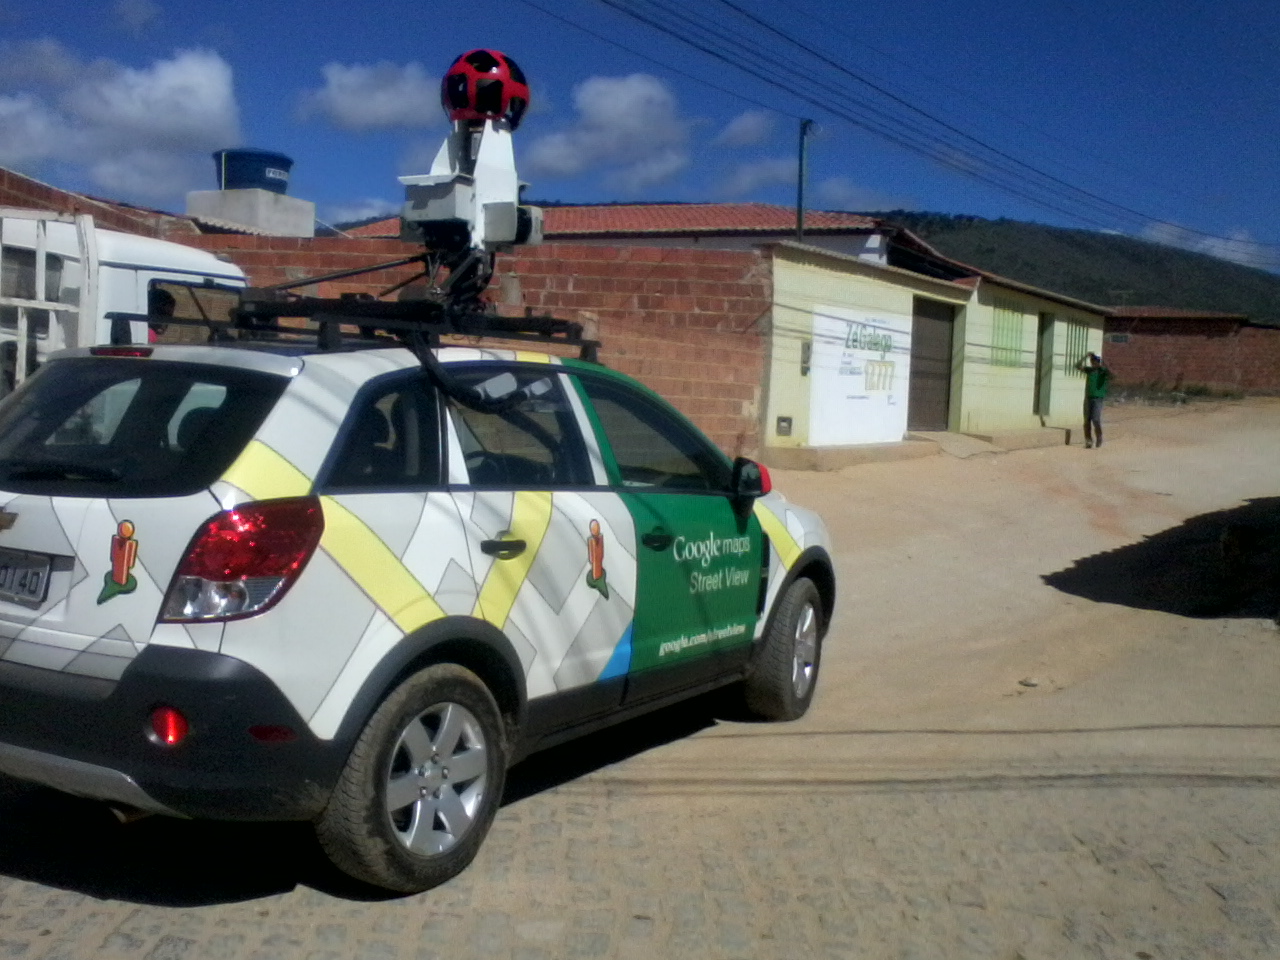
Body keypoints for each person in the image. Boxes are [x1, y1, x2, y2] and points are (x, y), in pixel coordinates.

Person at [1078, 352, 1111, 448]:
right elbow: (1077, 366)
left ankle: (1099, 436)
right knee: (1087, 420)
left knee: (1096, 419)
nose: (1093, 364)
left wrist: (1103, 363)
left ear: (1098, 363)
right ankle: (1088, 440)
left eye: (1095, 362)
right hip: (1088, 397)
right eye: (1092, 362)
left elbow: (1112, 373)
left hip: (1098, 398)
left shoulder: (1103, 371)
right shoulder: (1089, 370)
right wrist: (1085, 356)